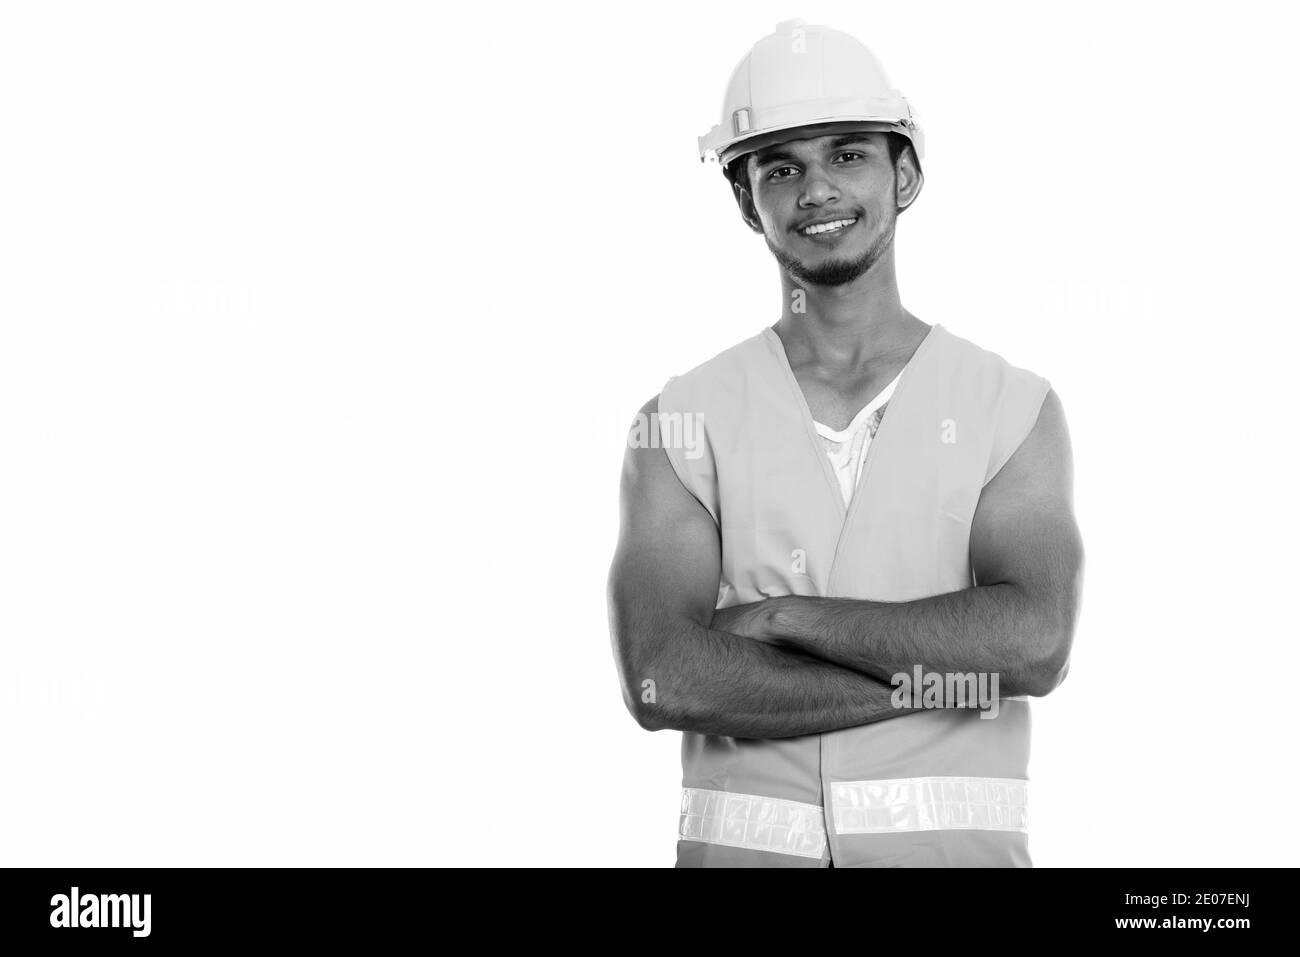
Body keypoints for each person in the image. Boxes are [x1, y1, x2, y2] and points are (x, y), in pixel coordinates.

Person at [607, 20, 1084, 868]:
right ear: (747, 202)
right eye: (781, 167)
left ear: (905, 175)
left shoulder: (1010, 407)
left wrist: (780, 621)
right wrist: (948, 672)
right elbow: (665, 678)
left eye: (849, 154)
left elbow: (1034, 644)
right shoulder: (680, 422)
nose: (816, 189)